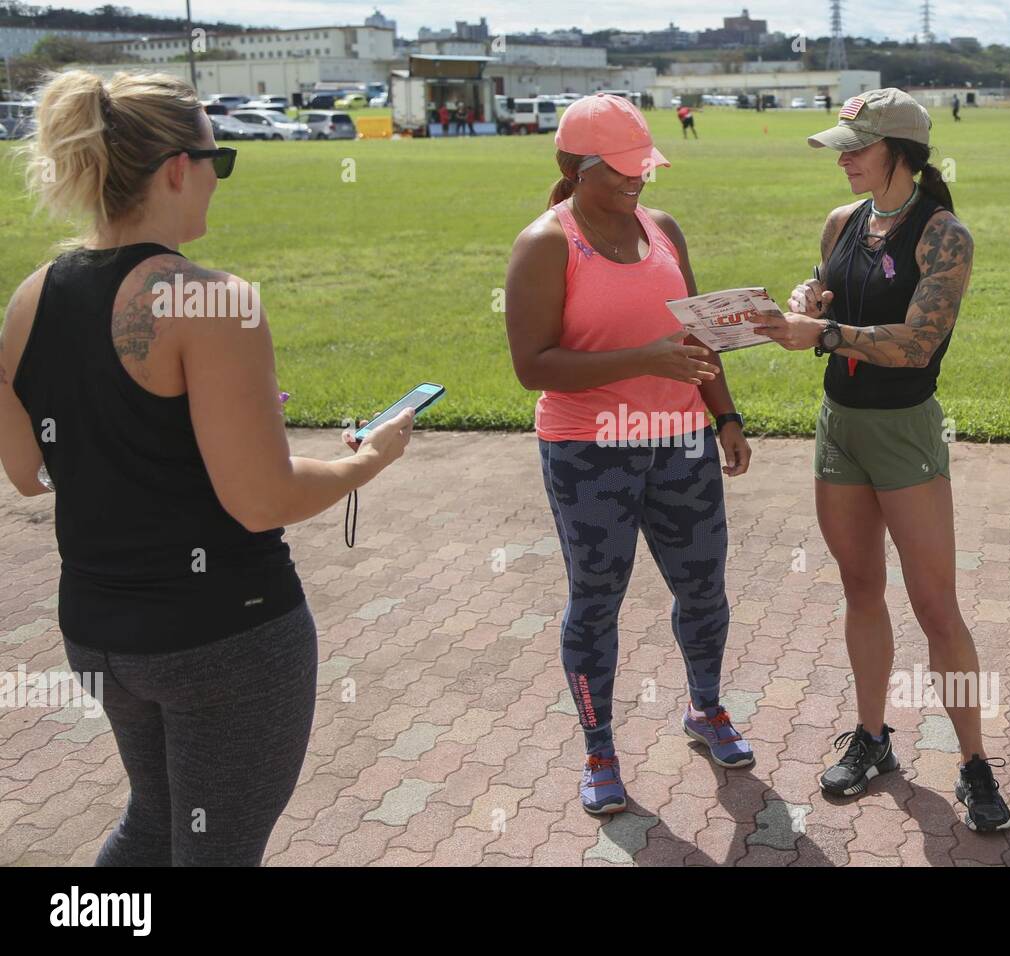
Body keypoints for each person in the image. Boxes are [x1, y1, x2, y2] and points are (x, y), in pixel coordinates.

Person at [0, 70, 414, 865]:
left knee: (154, 824)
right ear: (177, 169)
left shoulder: (30, 297)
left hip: (97, 630)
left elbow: (30, 472)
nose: (217, 183)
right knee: (215, 848)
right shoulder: (212, 300)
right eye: (217, 161)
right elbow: (264, 501)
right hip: (224, 633)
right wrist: (367, 461)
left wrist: (195, 424)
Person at [751, 88, 1010, 832]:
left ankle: (973, 764)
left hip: (904, 431)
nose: (843, 157)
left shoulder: (944, 235)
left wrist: (824, 332)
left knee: (936, 607)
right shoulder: (845, 220)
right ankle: (873, 739)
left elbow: (918, 343)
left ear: (899, 151)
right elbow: (829, 286)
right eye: (841, 145)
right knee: (861, 588)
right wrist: (812, 295)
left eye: (856, 147)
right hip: (840, 429)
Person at [504, 93, 754, 815]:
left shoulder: (664, 229)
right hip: (588, 453)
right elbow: (533, 365)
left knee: (704, 588)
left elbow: (700, 338)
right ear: (576, 168)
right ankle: (600, 750)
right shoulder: (547, 244)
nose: (637, 180)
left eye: (642, 165)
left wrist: (726, 415)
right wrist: (642, 358)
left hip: (683, 442)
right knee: (596, 603)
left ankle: (705, 710)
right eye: (620, 170)